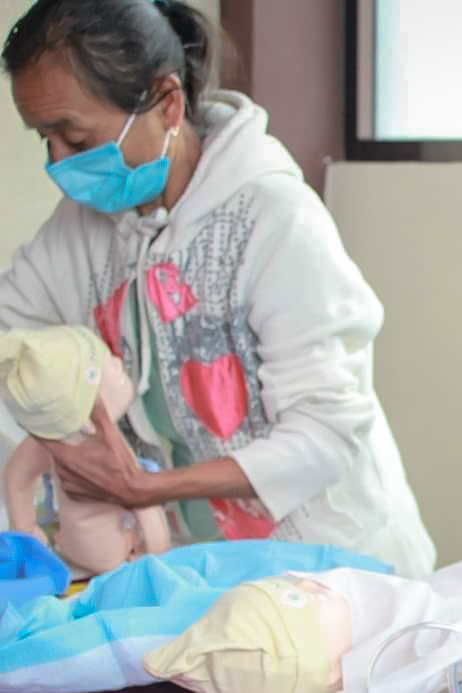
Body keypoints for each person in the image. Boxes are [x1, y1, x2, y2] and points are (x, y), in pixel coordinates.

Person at [0, 0, 435, 578]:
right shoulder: (80, 229)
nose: (57, 163)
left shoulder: (272, 218)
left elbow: (325, 433)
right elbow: (11, 333)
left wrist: (143, 488)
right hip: (201, 573)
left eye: (76, 140)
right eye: (43, 139)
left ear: (168, 102)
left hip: (335, 571)